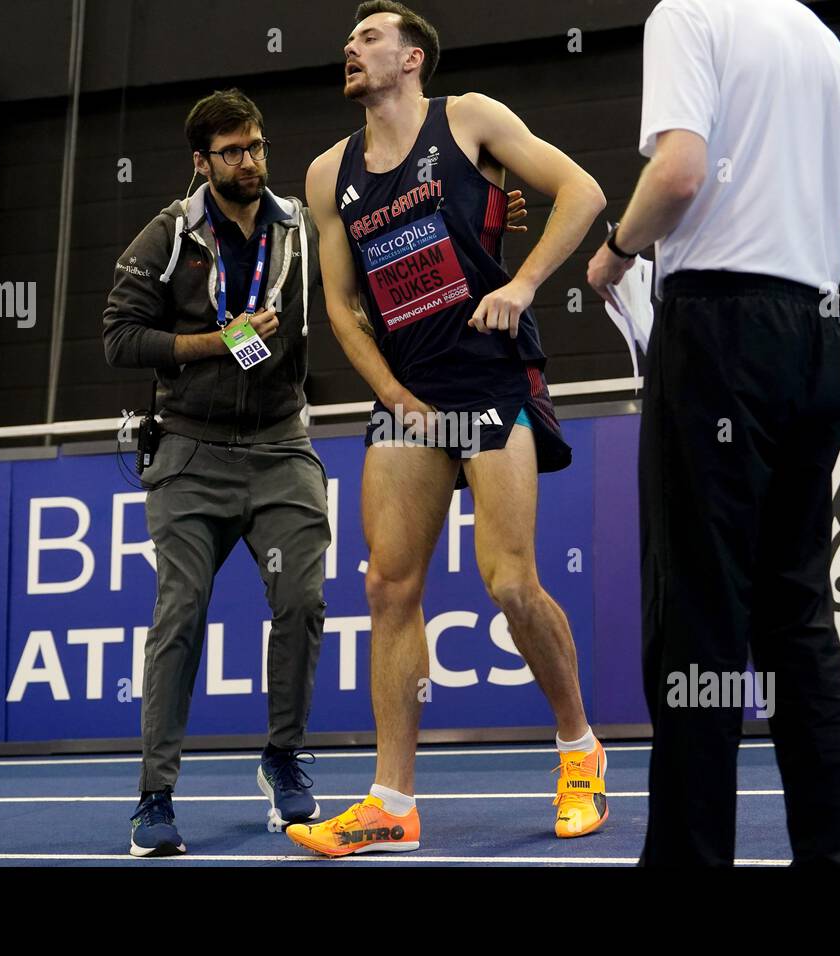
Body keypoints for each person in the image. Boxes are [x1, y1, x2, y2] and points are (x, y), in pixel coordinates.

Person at [102, 88, 527, 857]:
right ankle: (154, 797)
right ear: (201, 162)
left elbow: (393, 252)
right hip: (191, 452)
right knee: (181, 615)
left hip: (280, 446)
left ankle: (283, 757)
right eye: (233, 151)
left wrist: (480, 217)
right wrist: (218, 342)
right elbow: (119, 338)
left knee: (302, 602)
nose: (250, 161)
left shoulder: (301, 226)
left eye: (257, 145)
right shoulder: (168, 235)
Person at [288, 0, 608, 858]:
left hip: (490, 377)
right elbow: (341, 306)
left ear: (412, 58)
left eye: (369, 37)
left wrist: (523, 284)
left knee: (509, 582)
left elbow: (583, 191)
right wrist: (391, 392)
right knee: (388, 589)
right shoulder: (327, 174)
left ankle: (579, 751)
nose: (350, 47)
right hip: (410, 396)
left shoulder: (469, 119)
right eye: (350, 38)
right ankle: (391, 803)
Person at [586, 0, 840, 865]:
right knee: (798, 619)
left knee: (698, 622)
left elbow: (678, 173)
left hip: (720, 329)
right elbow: (828, 210)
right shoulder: (826, 44)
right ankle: (833, 858)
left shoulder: (689, 14)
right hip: (815, 329)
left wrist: (618, 249)